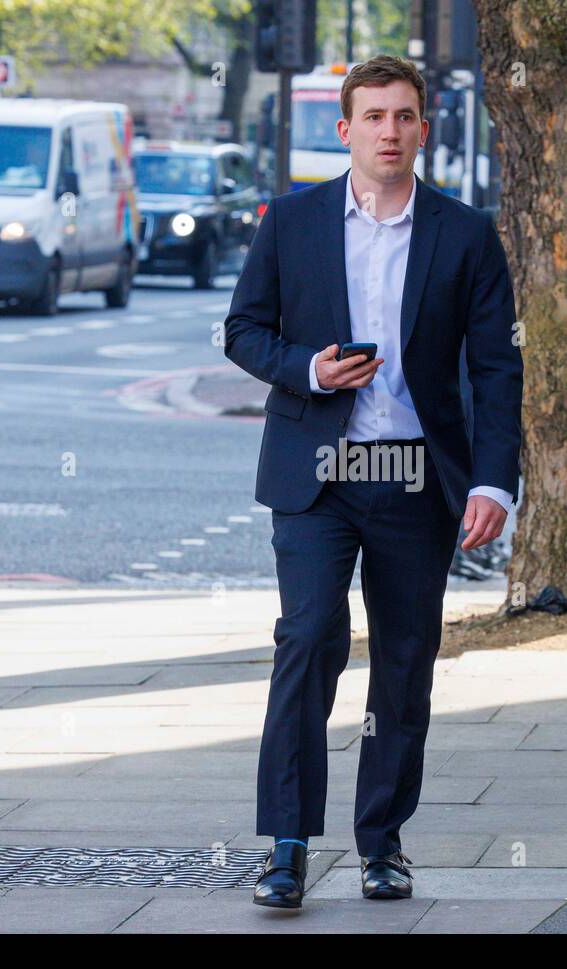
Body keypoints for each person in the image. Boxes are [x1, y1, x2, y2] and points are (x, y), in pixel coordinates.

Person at [223, 54, 522, 910]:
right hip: (316, 469)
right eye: (374, 117)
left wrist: (493, 483)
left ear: (423, 128)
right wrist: (307, 371)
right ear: (345, 129)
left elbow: (496, 369)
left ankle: (382, 841)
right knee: (310, 637)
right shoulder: (293, 220)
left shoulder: (465, 234)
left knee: (402, 659)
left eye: (404, 116)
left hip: (413, 476)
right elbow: (242, 330)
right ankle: (286, 844)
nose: (390, 131)